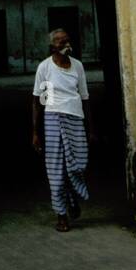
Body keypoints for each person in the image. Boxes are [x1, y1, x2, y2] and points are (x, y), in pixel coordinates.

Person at [31, 29, 95, 232]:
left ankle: (72, 198)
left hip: (75, 119)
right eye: (60, 41)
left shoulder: (78, 66)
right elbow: (37, 101)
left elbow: (85, 98)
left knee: (77, 166)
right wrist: (35, 132)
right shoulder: (45, 67)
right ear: (52, 46)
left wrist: (91, 129)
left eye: (67, 40)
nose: (65, 43)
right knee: (56, 171)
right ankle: (61, 215)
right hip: (52, 119)